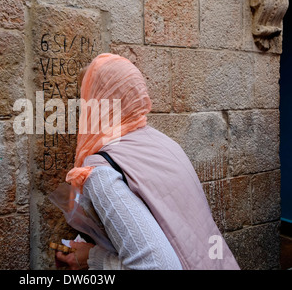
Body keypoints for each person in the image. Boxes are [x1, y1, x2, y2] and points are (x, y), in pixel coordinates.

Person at [52, 53, 240, 270]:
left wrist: (93, 259)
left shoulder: (101, 171)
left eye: (86, 99)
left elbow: (159, 266)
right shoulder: (164, 144)